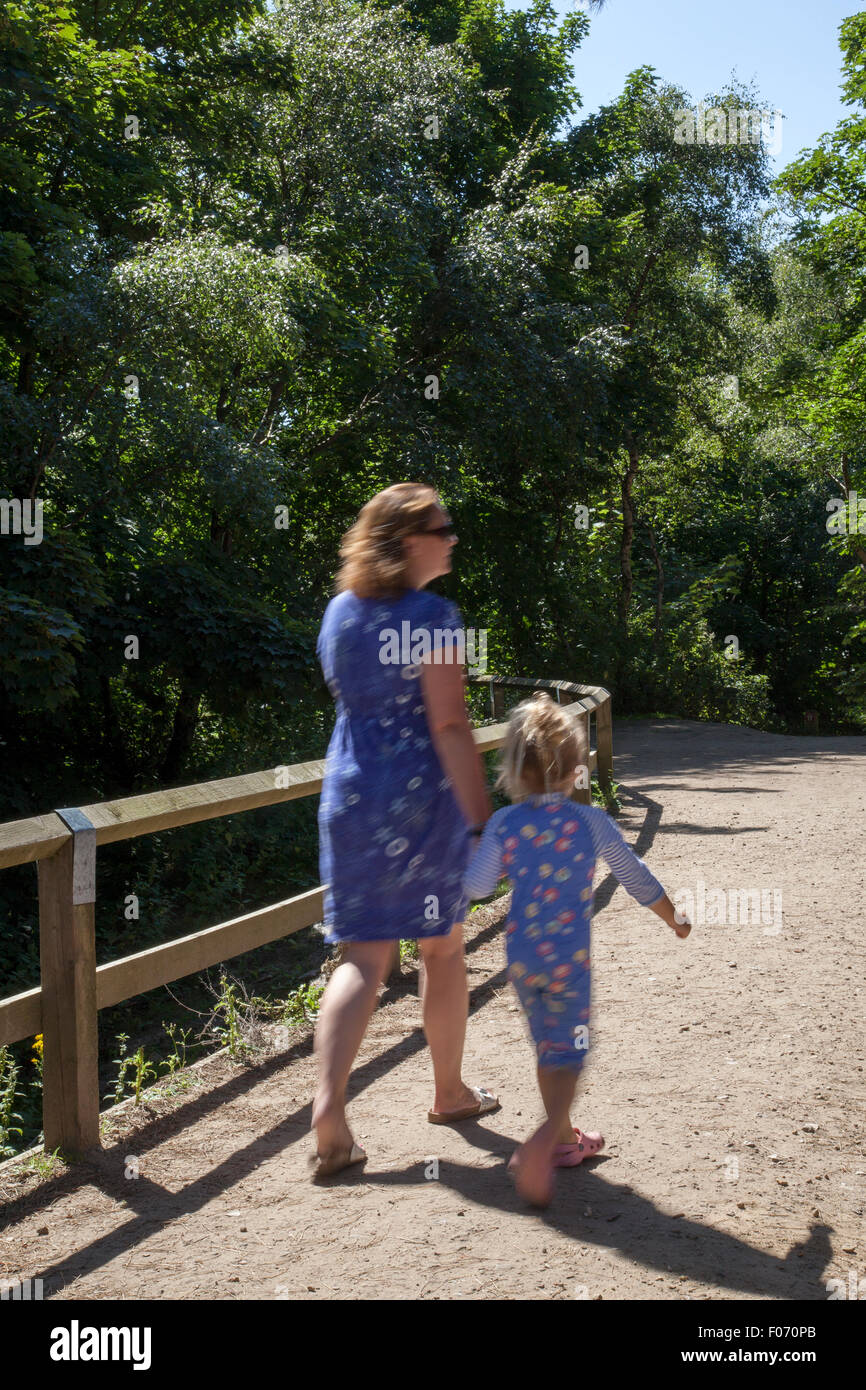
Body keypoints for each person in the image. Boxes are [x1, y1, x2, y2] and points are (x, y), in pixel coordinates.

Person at [311, 482, 498, 1178]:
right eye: (441, 528)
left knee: (363, 959)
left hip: (351, 797)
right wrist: (484, 820)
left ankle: (329, 1106)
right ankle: (449, 1093)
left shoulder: (339, 611)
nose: (452, 538)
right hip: (419, 803)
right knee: (443, 949)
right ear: (403, 541)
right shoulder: (433, 614)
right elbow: (450, 724)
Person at [463, 691, 691, 1206]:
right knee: (571, 1050)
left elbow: (478, 888)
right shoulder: (590, 823)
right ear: (576, 769)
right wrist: (673, 917)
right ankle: (543, 1143)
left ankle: (566, 1140)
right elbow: (635, 877)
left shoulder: (504, 824)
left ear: (513, 770)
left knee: (549, 1046)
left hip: (522, 958)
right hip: (568, 959)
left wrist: (476, 856)